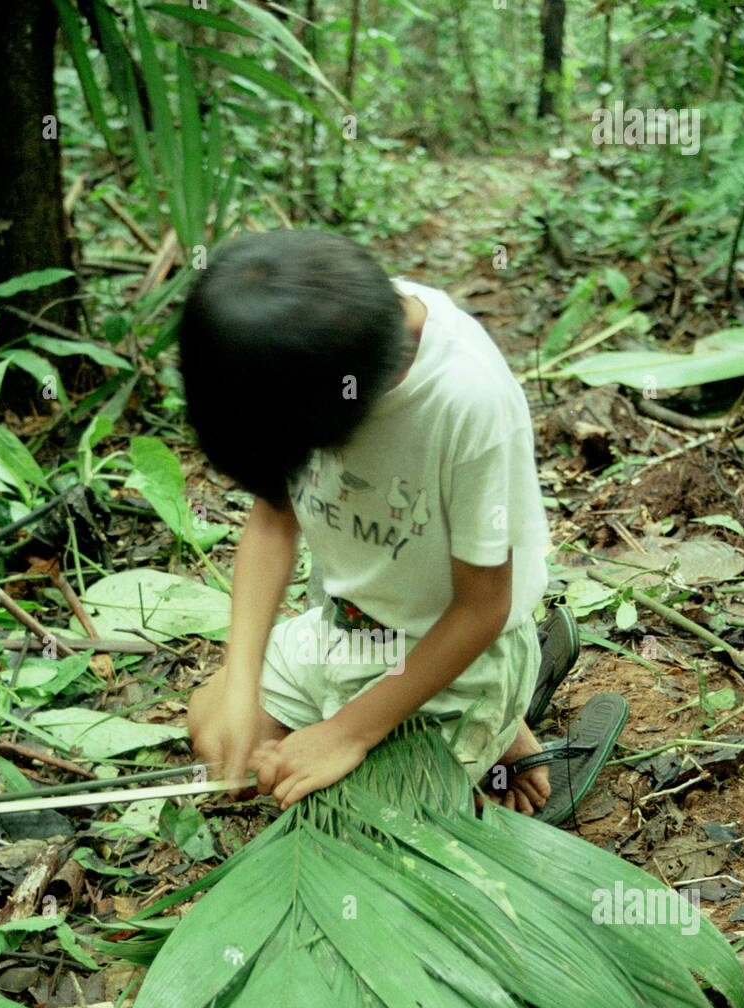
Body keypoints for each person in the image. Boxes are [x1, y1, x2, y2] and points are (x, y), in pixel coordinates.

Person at [182, 228, 554, 814]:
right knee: (214, 727)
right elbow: (273, 520)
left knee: (371, 817)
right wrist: (240, 680)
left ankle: (495, 705)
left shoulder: (465, 400)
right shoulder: (307, 345)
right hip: (353, 628)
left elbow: (483, 605)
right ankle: (485, 725)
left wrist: (347, 733)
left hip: (464, 634)